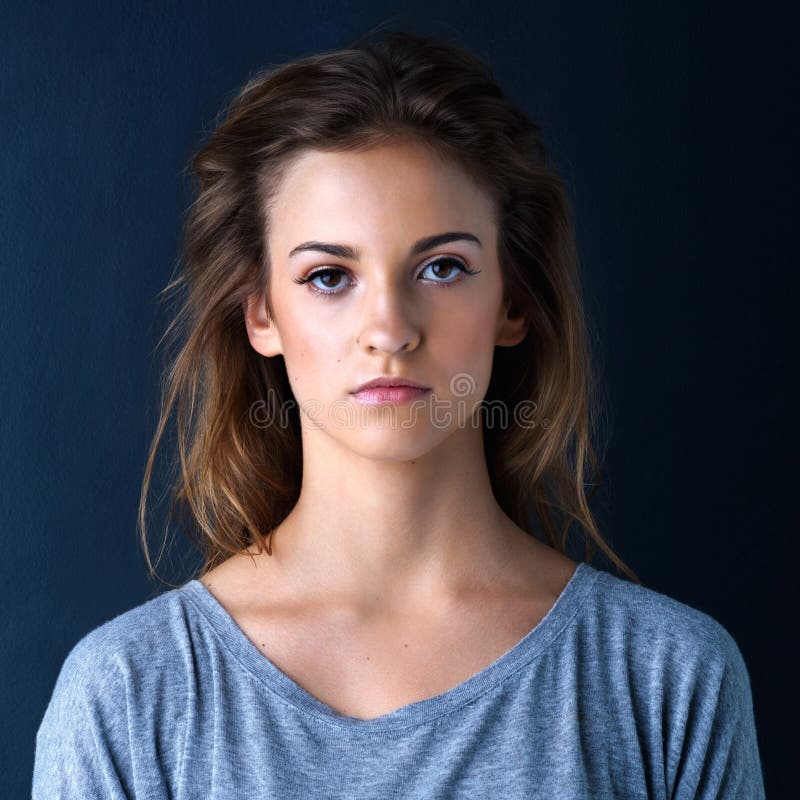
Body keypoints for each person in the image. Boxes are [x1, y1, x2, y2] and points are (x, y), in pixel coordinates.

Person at [32, 29, 766, 798]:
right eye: (328, 276)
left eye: (442, 267)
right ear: (260, 313)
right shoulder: (127, 697)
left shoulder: (668, 681)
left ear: (513, 302)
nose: (389, 330)